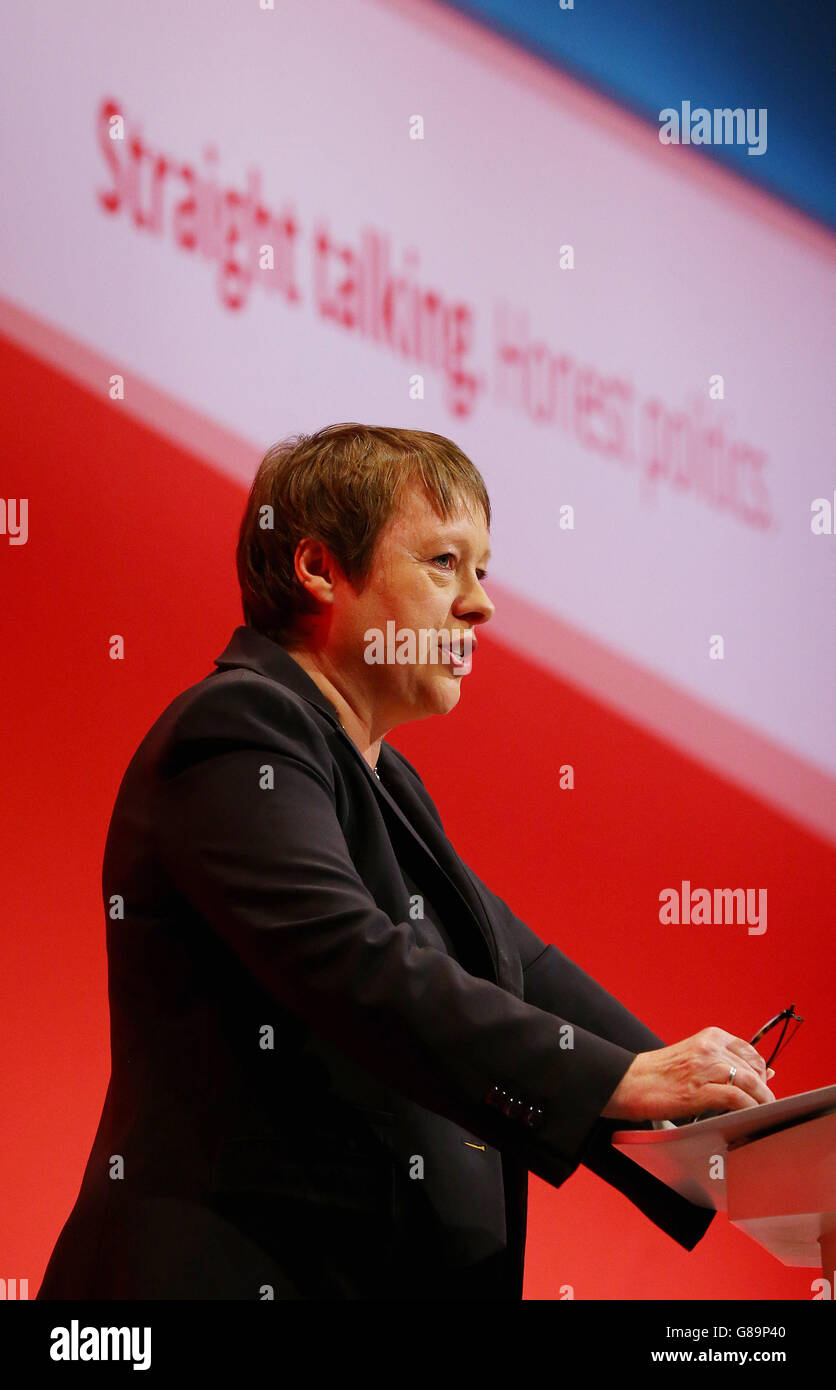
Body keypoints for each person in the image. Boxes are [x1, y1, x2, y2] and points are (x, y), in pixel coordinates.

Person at [37, 423, 775, 1301]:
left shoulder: (385, 782)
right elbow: (353, 963)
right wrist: (622, 1080)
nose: (480, 605)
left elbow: (516, 970)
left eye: (483, 571)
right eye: (443, 563)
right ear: (320, 569)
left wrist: (742, 1137)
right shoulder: (237, 729)